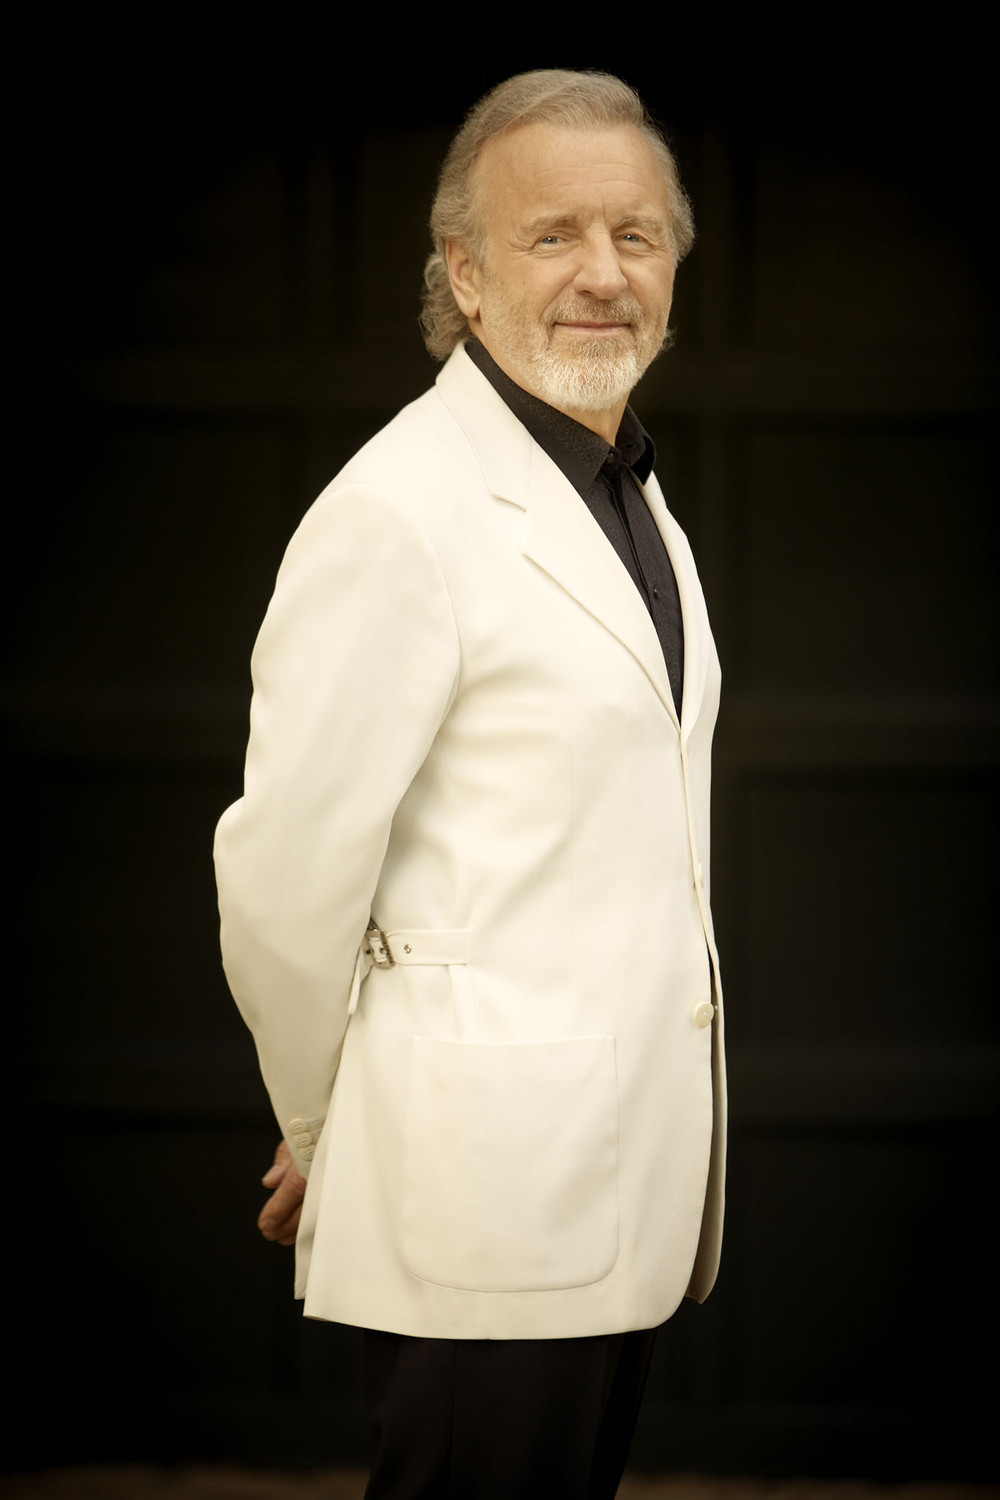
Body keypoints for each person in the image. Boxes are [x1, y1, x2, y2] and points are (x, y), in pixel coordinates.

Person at [214, 68, 726, 1499]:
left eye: (636, 235)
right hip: (485, 1201)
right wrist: (332, 1126)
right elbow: (284, 877)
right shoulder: (400, 510)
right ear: (466, 273)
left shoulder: (626, 486)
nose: (603, 273)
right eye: (552, 234)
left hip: (613, 1188)